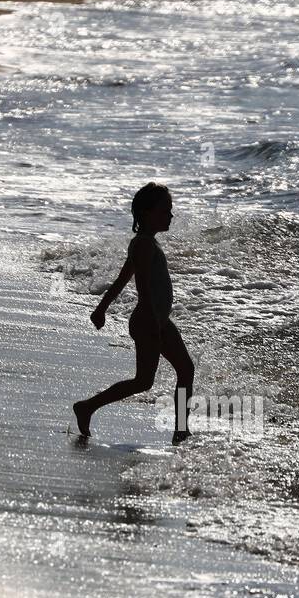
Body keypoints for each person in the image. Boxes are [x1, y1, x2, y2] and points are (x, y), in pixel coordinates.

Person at [73, 182, 194, 444]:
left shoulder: (146, 242)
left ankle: (181, 430)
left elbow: (121, 278)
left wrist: (102, 307)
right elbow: (140, 285)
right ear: (147, 213)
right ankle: (87, 407)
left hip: (158, 320)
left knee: (185, 369)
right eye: (165, 211)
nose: (170, 216)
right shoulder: (142, 244)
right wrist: (153, 320)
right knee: (143, 381)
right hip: (148, 321)